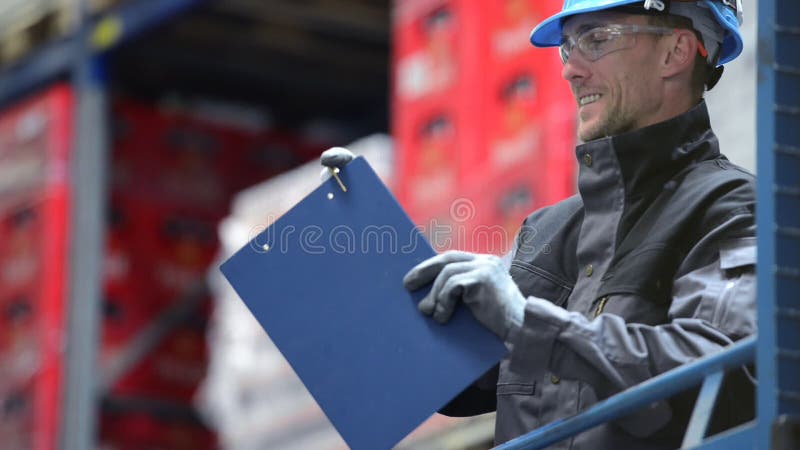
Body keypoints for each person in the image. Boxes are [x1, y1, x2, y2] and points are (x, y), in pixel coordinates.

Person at [323, 1, 755, 448]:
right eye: (569, 48)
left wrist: (524, 323)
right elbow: (440, 379)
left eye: (596, 39)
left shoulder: (732, 209)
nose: (571, 70)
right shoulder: (546, 232)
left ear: (676, 52)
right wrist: (362, 250)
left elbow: (720, 376)